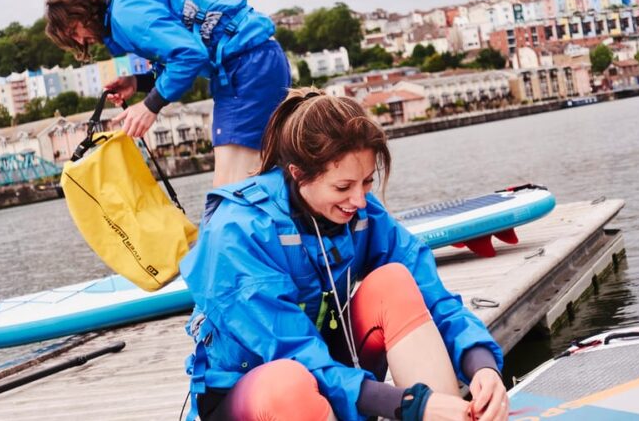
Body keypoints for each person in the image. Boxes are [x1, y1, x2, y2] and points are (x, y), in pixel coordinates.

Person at [179, 88, 509, 421]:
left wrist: (481, 365)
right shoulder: (237, 232)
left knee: (393, 282)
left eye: (366, 182)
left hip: (331, 377)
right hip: (250, 394)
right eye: (343, 187)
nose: (360, 200)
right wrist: (410, 404)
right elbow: (294, 353)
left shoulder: (361, 214)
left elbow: (434, 298)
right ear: (298, 174)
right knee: (289, 383)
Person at [45, 0, 291, 187]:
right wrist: (138, 83)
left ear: (82, 10)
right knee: (257, 180)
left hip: (247, 66)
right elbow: (184, 54)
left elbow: (190, 55)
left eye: (73, 31)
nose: (79, 41)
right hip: (255, 61)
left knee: (231, 191)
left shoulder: (126, 12)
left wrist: (149, 106)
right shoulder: (128, 2)